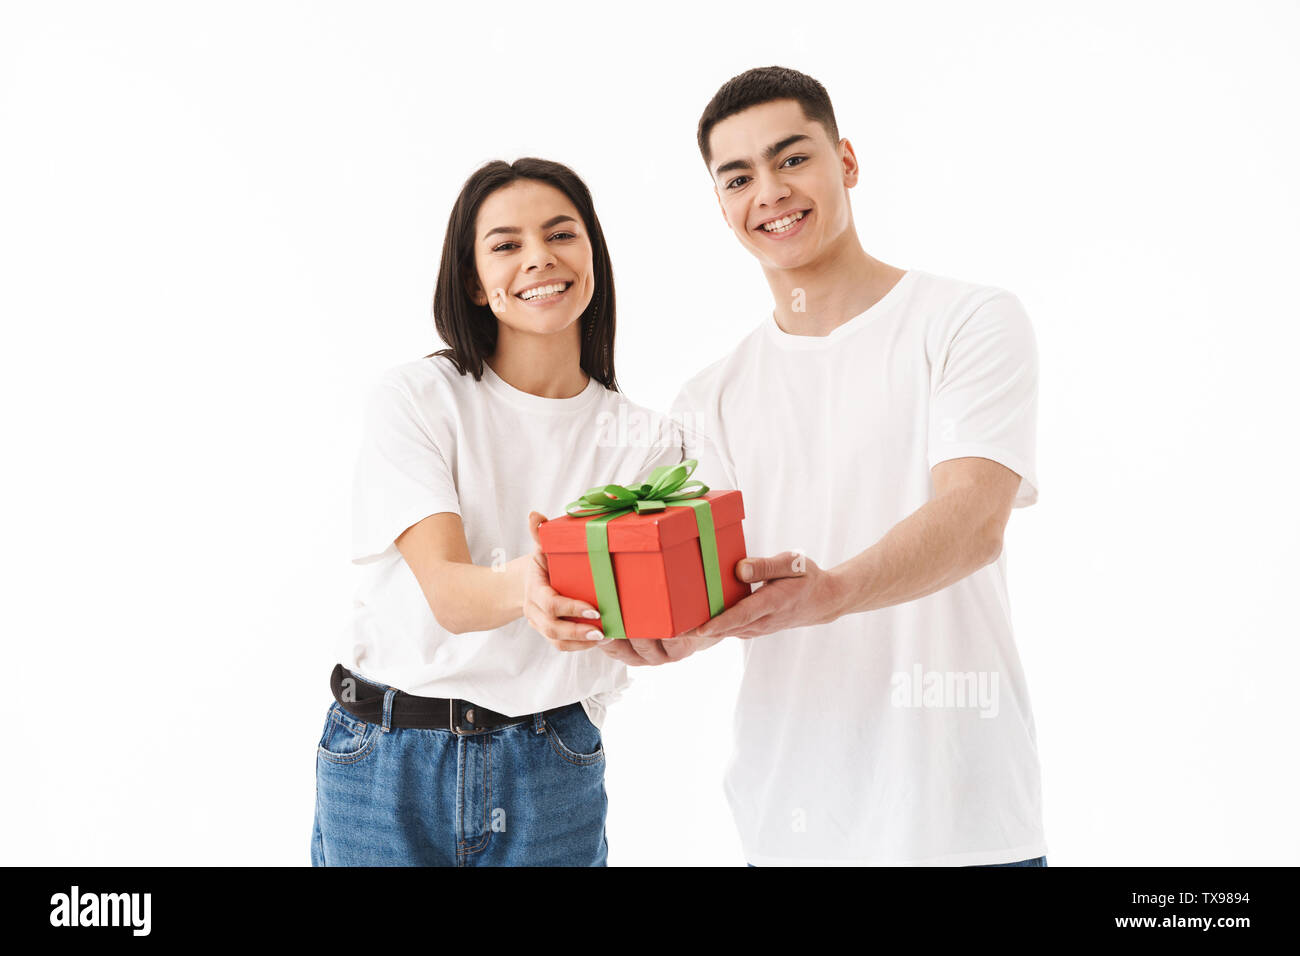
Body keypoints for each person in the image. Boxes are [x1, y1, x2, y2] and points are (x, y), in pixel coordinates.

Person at [597, 66, 1049, 866]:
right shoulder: (711, 397)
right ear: (721, 205)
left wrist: (832, 592)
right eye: (738, 177)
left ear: (845, 160)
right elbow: (725, 584)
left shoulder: (966, 322)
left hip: (963, 822)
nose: (768, 192)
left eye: (792, 158)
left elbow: (975, 521)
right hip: (791, 823)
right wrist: (667, 632)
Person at [310, 157, 677, 866]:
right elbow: (449, 591)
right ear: (476, 283)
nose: (539, 257)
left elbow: (639, 620)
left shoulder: (650, 444)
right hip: (387, 759)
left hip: (549, 763)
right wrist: (531, 581)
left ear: (591, 254)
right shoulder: (419, 398)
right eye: (506, 244)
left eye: (561, 234)